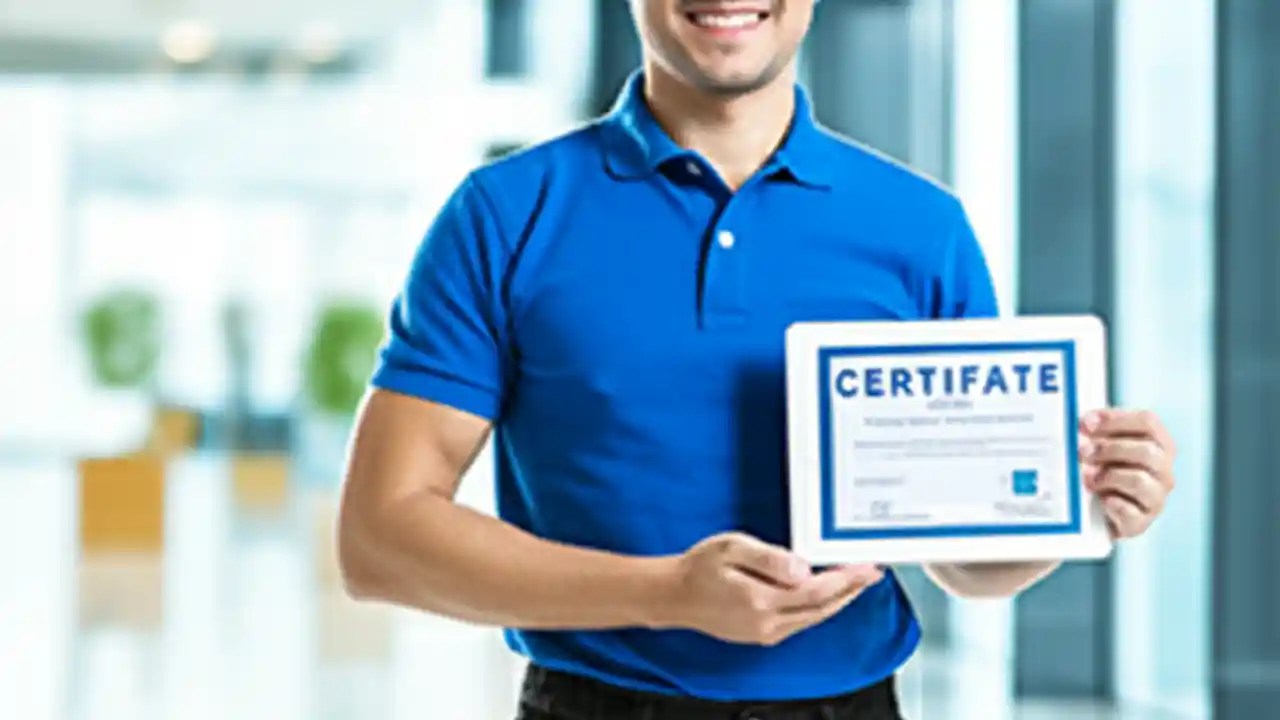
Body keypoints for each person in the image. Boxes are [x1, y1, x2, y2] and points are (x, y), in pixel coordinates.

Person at [336, 1, 1178, 718]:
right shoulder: (505, 215)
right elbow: (380, 537)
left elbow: (967, 561)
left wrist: (1084, 500)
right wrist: (663, 593)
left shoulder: (921, 227)